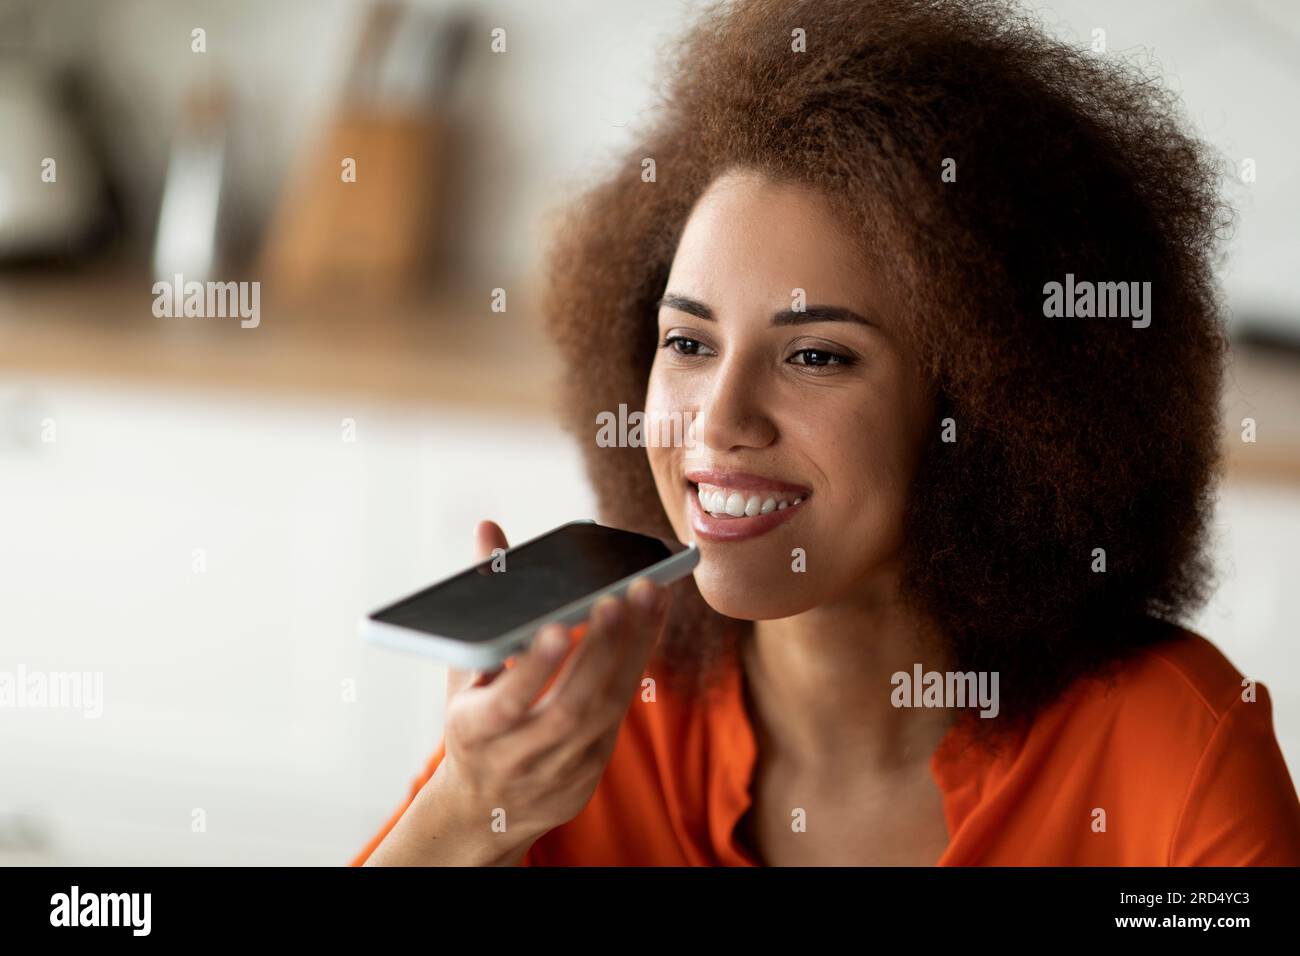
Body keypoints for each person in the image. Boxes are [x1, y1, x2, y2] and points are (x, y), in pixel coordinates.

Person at [352, 0, 1300, 866]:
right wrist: (469, 814)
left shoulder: (1172, 757)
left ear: (992, 402)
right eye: (688, 340)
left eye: (816, 357)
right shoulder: (581, 719)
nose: (717, 422)